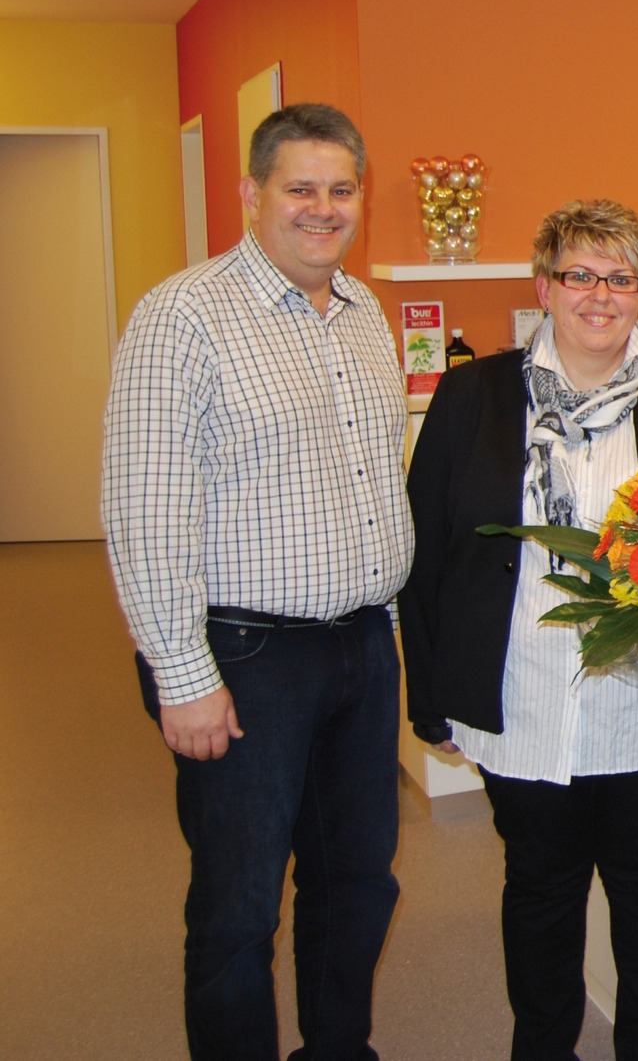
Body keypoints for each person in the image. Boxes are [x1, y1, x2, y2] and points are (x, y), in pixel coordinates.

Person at [396, 199, 638, 1061]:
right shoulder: (472, 394)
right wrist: (432, 695)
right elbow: (425, 552)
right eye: (579, 274)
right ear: (544, 285)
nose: (599, 294)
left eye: (621, 277)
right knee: (539, 888)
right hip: (521, 694)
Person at [102, 103, 413, 1061]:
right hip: (243, 655)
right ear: (251, 193)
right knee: (239, 903)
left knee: (357, 878)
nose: (323, 208)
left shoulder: (364, 316)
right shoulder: (181, 316)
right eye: (300, 188)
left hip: (361, 643)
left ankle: (337, 1048)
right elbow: (144, 504)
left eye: (341, 189)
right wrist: (180, 672)